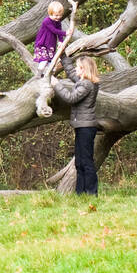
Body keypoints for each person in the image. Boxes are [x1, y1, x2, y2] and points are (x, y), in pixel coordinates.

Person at [53, 56, 102, 195]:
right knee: (79, 162)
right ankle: (80, 193)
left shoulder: (86, 85)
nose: (75, 69)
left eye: (78, 66)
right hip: (82, 126)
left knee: (86, 161)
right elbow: (71, 73)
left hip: (86, 127)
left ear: (84, 69)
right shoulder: (83, 82)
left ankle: (91, 193)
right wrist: (63, 55)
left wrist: (56, 84)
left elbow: (70, 98)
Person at [33, 1, 70, 75]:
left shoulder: (58, 21)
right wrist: (65, 33)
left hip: (50, 45)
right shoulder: (46, 21)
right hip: (42, 44)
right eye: (56, 15)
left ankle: (47, 76)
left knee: (51, 63)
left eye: (60, 15)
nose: (58, 17)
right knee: (44, 61)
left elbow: (59, 32)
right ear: (50, 13)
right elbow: (54, 30)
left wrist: (61, 41)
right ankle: (39, 75)